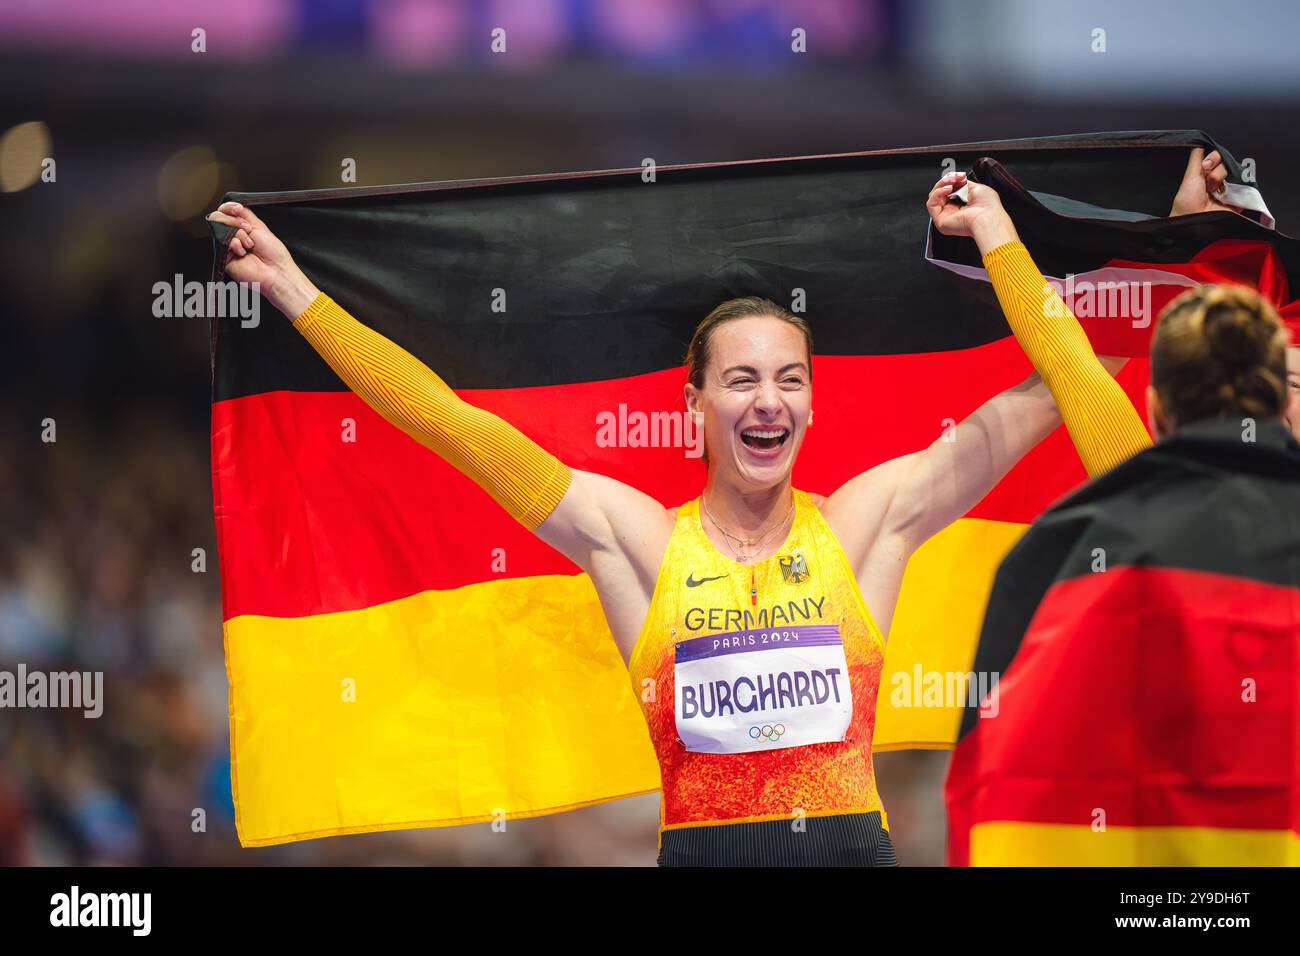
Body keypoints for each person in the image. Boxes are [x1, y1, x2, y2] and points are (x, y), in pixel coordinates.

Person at [206, 170, 1122, 866]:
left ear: (811, 406)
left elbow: (1064, 387)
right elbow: (451, 424)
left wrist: (1000, 232)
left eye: (790, 380)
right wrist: (296, 293)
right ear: (694, 406)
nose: (769, 401)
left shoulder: (865, 525)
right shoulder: (637, 541)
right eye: (741, 380)